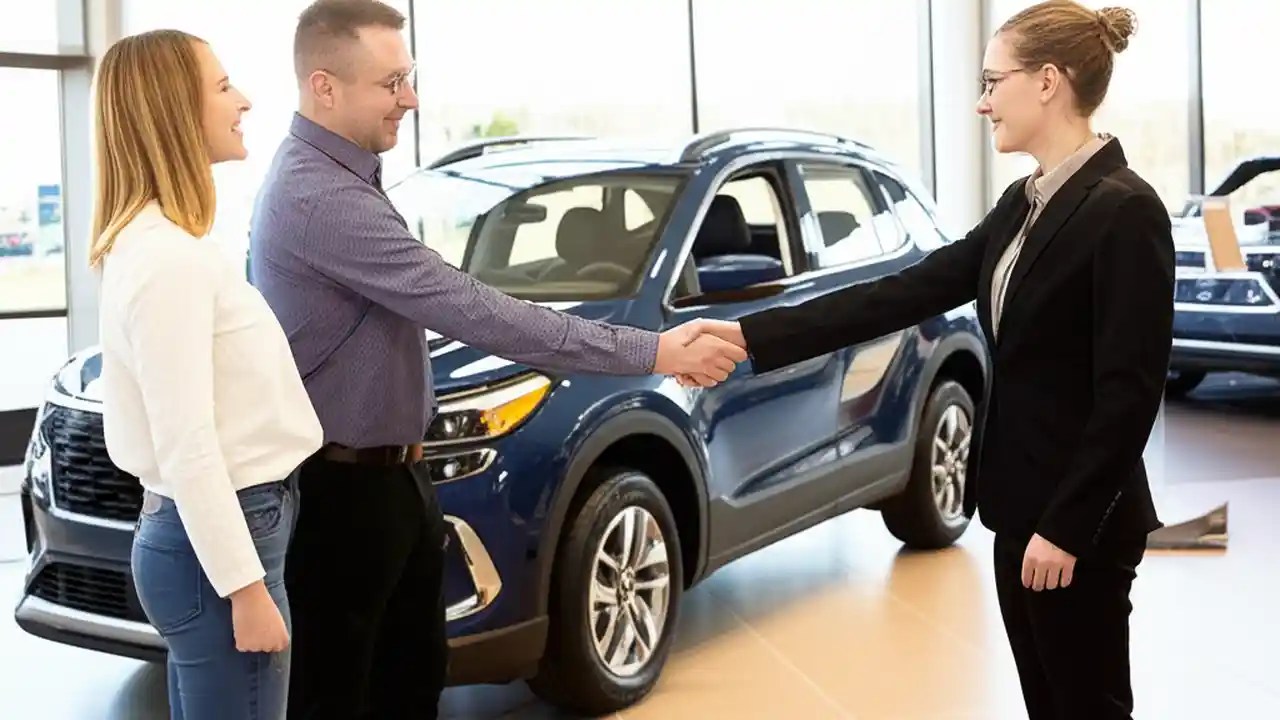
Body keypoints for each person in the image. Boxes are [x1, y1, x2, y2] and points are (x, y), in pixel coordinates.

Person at [246, 1, 745, 717]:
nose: (410, 99)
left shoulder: (349, 175)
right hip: (343, 497)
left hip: (394, 478)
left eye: (408, 78)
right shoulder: (318, 194)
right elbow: (470, 307)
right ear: (324, 88)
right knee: (343, 695)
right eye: (392, 84)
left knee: (409, 683)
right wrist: (654, 348)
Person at [691, 3, 1169, 719]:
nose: (981, 101)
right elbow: (902, 293)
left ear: (1047, 82)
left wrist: (1066, 528)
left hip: (1080, 526)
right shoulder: (1023, 203)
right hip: (1019, 511)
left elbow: (1128, 396)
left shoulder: (1126, 211)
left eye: (991, 81)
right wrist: (750, 338)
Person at [93, 29, 324, 720]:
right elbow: (187, 445)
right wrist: (245, 588)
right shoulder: (169, 263)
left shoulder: (161, 246)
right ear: (172, 110)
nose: (245, 100)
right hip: (219, 548)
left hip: (212, 539)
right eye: (224, 87)